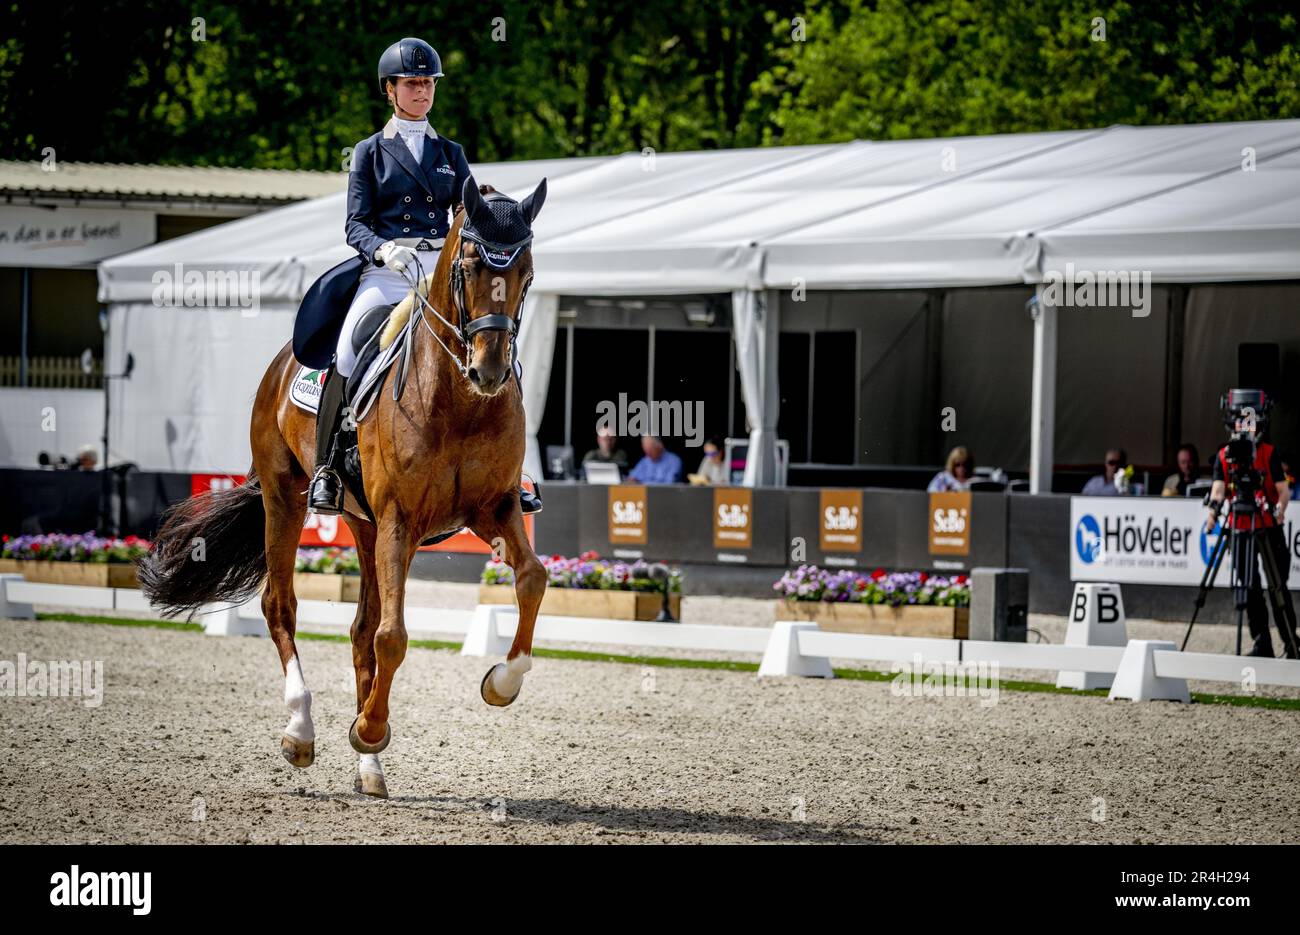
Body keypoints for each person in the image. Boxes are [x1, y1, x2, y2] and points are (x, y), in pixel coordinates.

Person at [305, 37, 539, 517]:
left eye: (428, 83)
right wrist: (385, 250)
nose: (422, 92)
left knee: (502, 354)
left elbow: (466, 214)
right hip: (388, 273)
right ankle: (328, 465)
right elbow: (354, 224)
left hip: (443, 275)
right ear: (389, 90)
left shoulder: (451, 153)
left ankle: (516, 471)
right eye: (412, 83)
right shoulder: (369, 152)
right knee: (349, 349)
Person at [1204, 400, 1297, 658]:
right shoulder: (1224, 455)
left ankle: (1291, 642)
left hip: (1266, 524)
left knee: (1277, 585)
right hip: (1239, 526)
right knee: (1248, 584)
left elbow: (1282, 490)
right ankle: (1261, 641)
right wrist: (1213, 513)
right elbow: (1218, 488)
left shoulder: (1268, 453)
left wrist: (1279, 510)